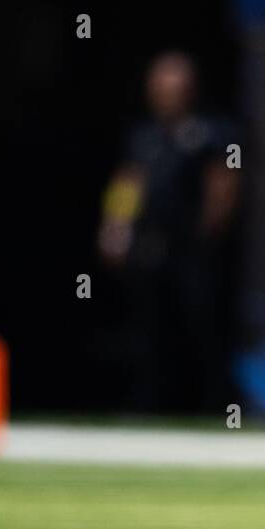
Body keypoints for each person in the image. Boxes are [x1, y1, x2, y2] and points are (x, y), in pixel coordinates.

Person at [97, 53, 242, 412]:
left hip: (193, 249)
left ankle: (214, 407)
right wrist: (114, 229)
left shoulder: (211, 132)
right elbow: (128, 183)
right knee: (148, 330)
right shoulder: (143, 135)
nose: (167, 95)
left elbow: (223, 184)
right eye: (161, 87)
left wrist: (208, 235)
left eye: (175, 88)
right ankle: (148, 406)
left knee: (201, 328)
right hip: (150, 247)